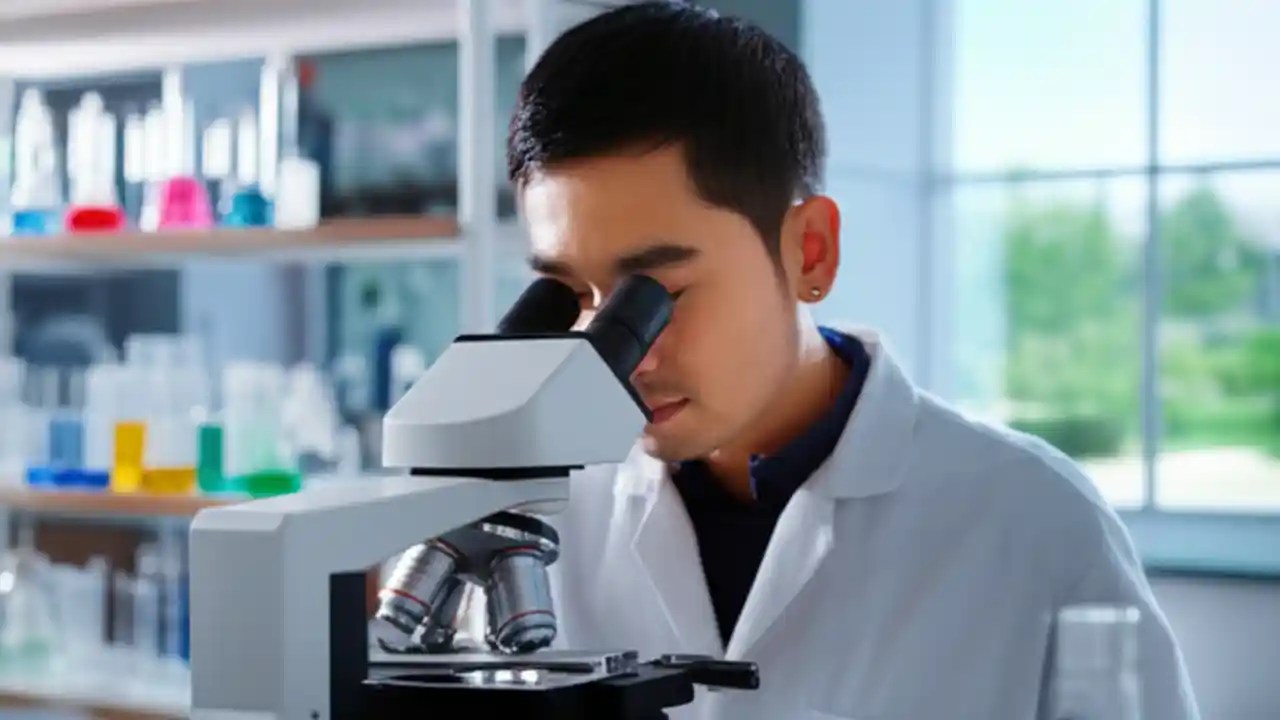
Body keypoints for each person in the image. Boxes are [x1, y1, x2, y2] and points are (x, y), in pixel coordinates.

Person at [505, 2, 1200, 718]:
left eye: (658, 294)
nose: (619, 355)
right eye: (573, 297)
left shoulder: (1038, 525)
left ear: (810, 250)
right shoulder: (539, 527)